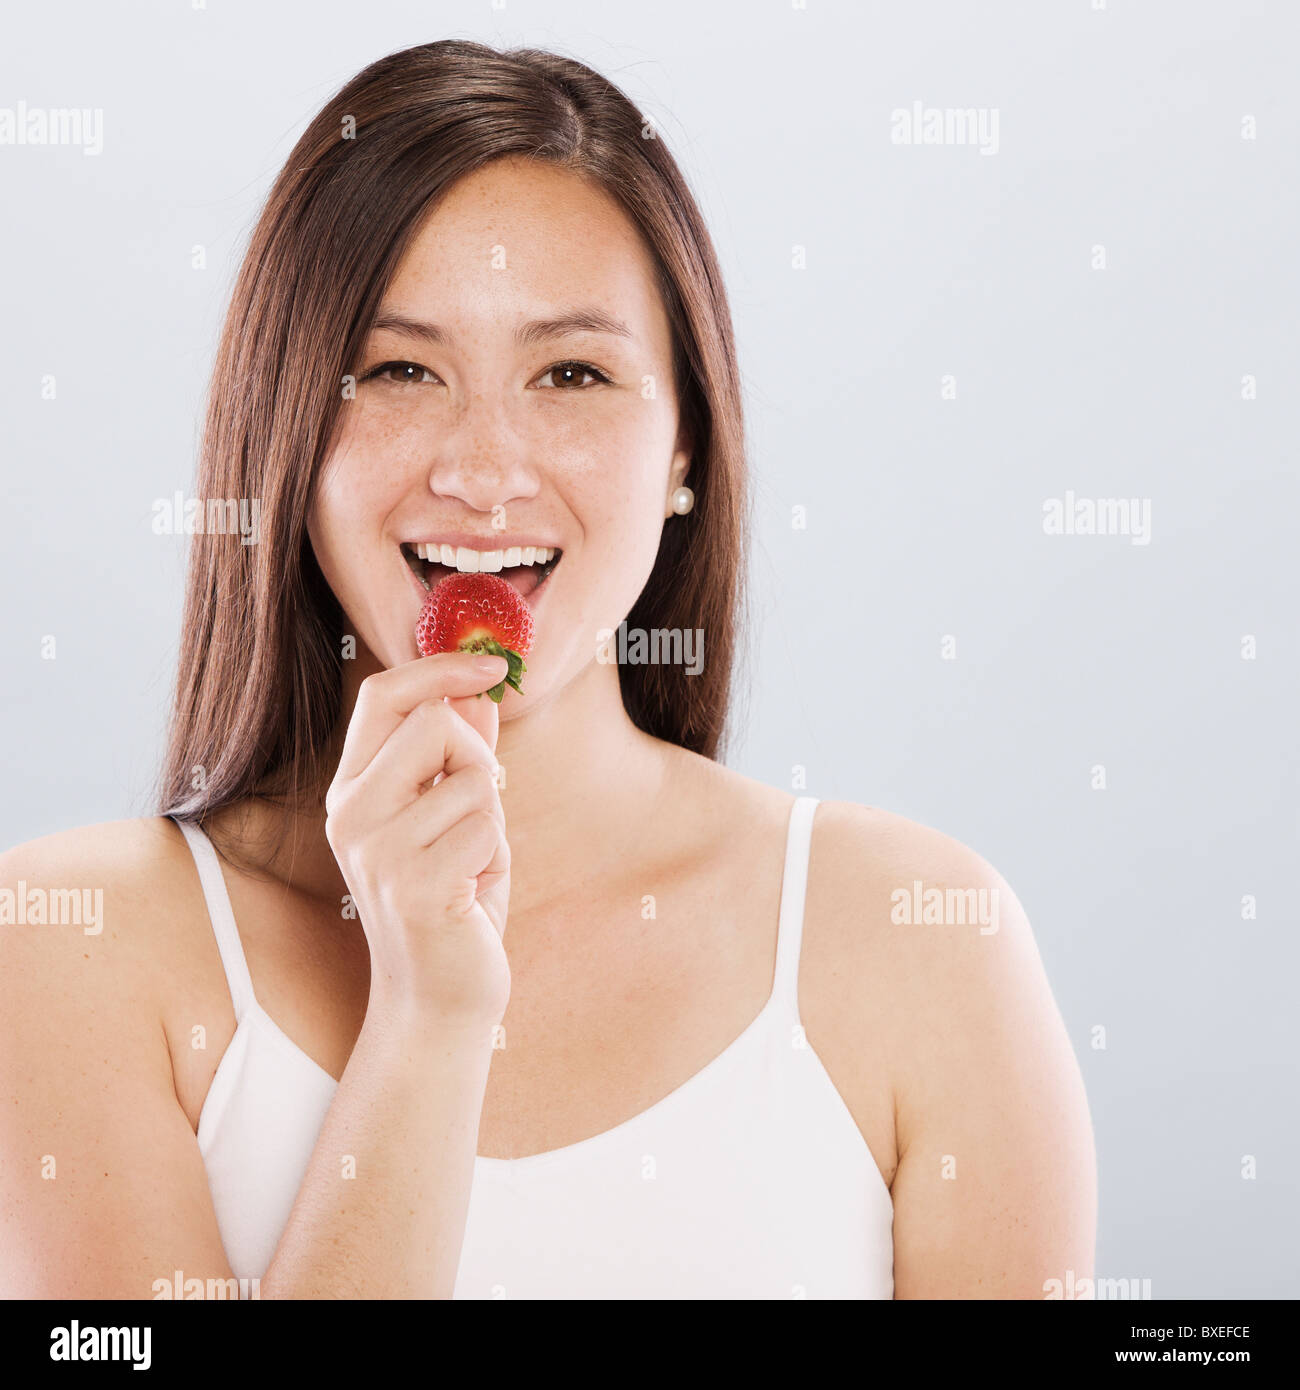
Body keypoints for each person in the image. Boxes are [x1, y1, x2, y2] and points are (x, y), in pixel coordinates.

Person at [0, 39, 1095, 1299]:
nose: (483, 470)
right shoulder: (72, 946)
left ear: (688, 447)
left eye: (571, 373)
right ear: (287, 431)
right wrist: (425, 1024)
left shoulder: (923, 945)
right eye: (399, 369)